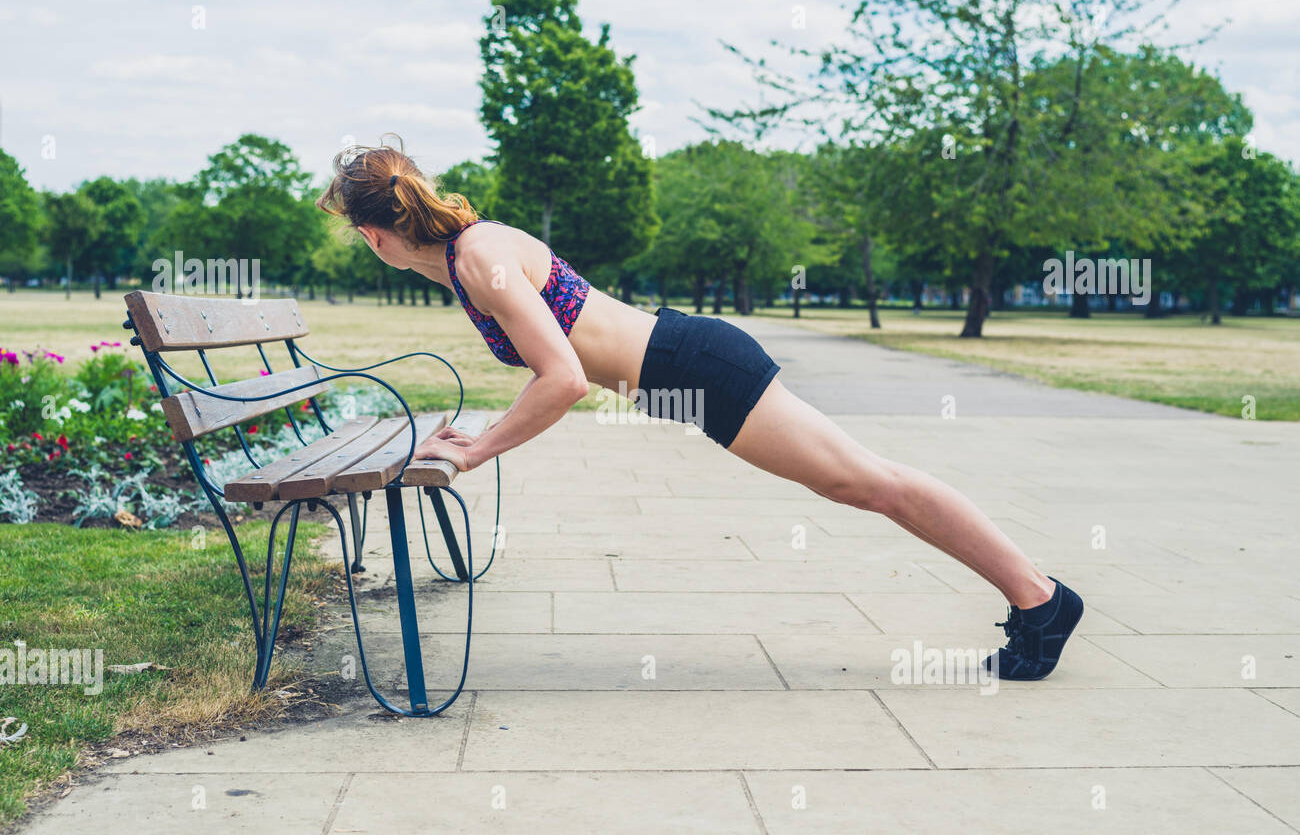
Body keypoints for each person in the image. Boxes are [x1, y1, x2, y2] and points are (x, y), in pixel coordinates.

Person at [316, 140, 1083, 680]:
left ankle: (1041, 598)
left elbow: (565, 378)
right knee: (862, 482)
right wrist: (479, 435)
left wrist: (479, 450)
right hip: (689, 368)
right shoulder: (462, 259)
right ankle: (1036, 595)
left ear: (371, 233)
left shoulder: (478, 259)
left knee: (867, 482)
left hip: (699, 367)